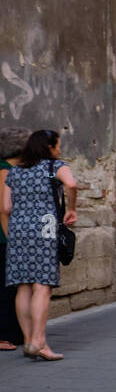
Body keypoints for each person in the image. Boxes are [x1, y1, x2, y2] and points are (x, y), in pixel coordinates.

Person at [0, 129, 77, 360]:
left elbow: (5, 208)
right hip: (44, 230)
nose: (60, 150)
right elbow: (71, 184)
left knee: (23, 286)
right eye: (58, 145)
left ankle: (27, 341)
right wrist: (72, 209)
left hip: (18, 232)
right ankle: (39, 342)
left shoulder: (15, 172)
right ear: (49, 147)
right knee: (42, 286)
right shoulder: (54, 167)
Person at [0, 127, 31, 352]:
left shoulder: (13, 170)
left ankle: (14, 333)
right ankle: (3, 336)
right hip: (3, 236)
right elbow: (4, 210)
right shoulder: (4, 171)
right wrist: (11, 240)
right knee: (5, 286)